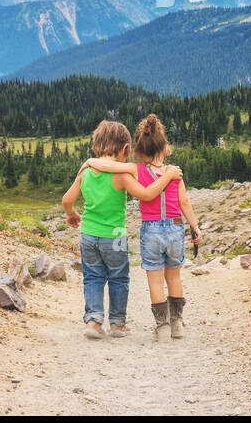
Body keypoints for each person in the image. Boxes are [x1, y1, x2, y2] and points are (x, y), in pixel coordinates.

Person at [84, 114, 202, 342]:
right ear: (165, 149)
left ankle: (163, 328)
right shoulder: (175, 173)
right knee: (174, 278)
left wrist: (89, 162)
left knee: (155, 280)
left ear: (138, 151)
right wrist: (195, 228)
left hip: (151, 232)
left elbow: (107, 165)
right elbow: (184, 202)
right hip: (176, 229)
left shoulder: (137, 170)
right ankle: (177, 324)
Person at [62, 120, 181, 339]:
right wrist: (168, 176)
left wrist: (71, 214)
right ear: (125, 149)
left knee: (93, 277)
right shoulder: (123, 175)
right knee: (118, 278)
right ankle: (117, 324)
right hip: (115, 237)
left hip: (88, 235)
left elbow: (67, 199)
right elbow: (146, 195)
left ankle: (94, 321)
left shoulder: (86, 172)